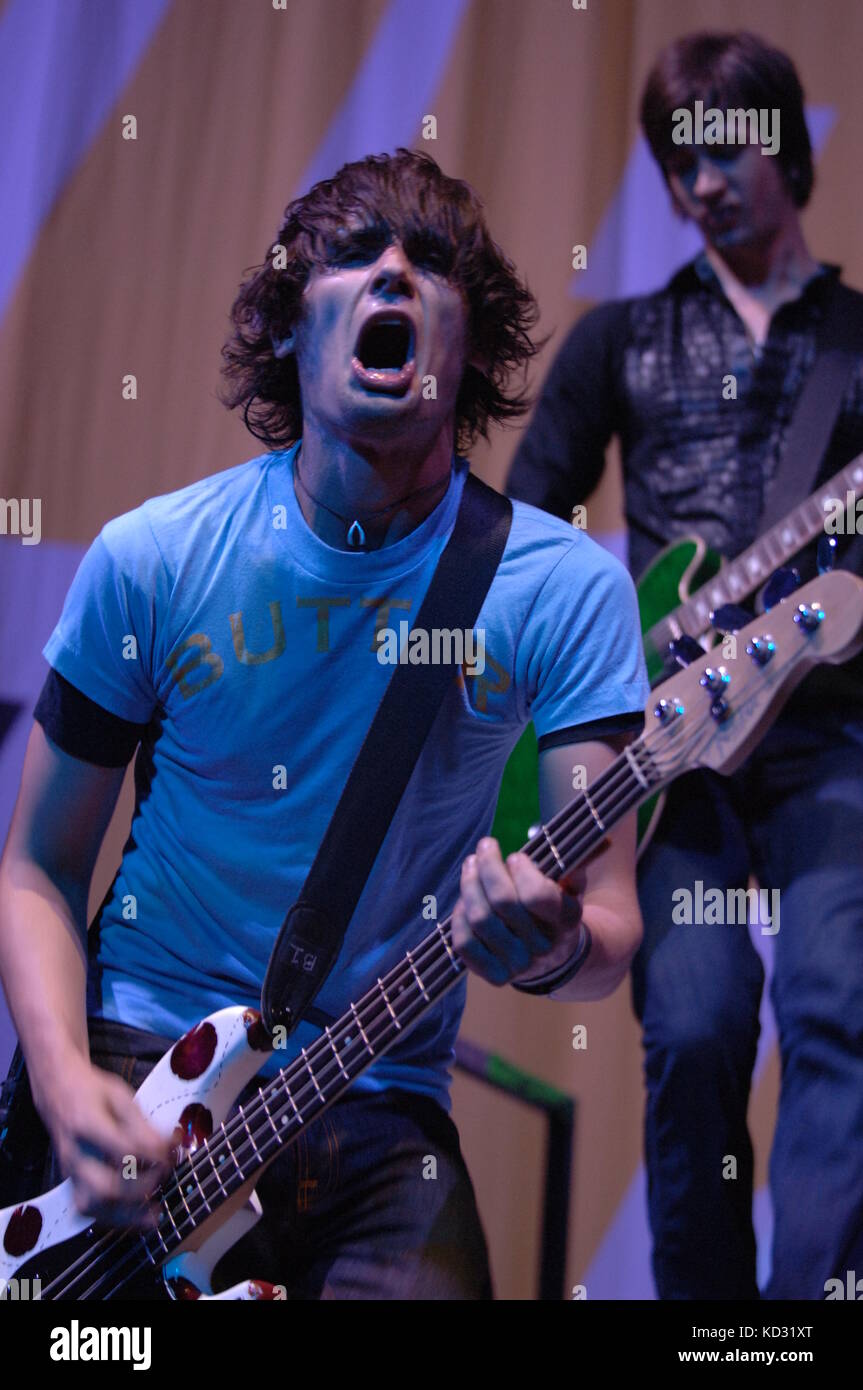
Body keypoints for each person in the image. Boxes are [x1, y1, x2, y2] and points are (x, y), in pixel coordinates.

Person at [0, 149, 648, 1300]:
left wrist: (542, 946)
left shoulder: (560, 589)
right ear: (290, 328)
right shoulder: (154, 557)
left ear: (469, 343)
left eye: (431, 262)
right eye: (353, 255)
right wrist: (59, 1081)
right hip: (140, 1067)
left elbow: (604, 932)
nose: (393, 270)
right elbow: (38, 870)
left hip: (375, 1092)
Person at [507, 31, 863, 1301]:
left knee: (840, 1014)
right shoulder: (616, 341)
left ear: (783, 145)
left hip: (833, 728)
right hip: (671, 750)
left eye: (724, 144)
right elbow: (524, 536)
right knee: (698, 1030)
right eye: (675, 156)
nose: (699, 178)